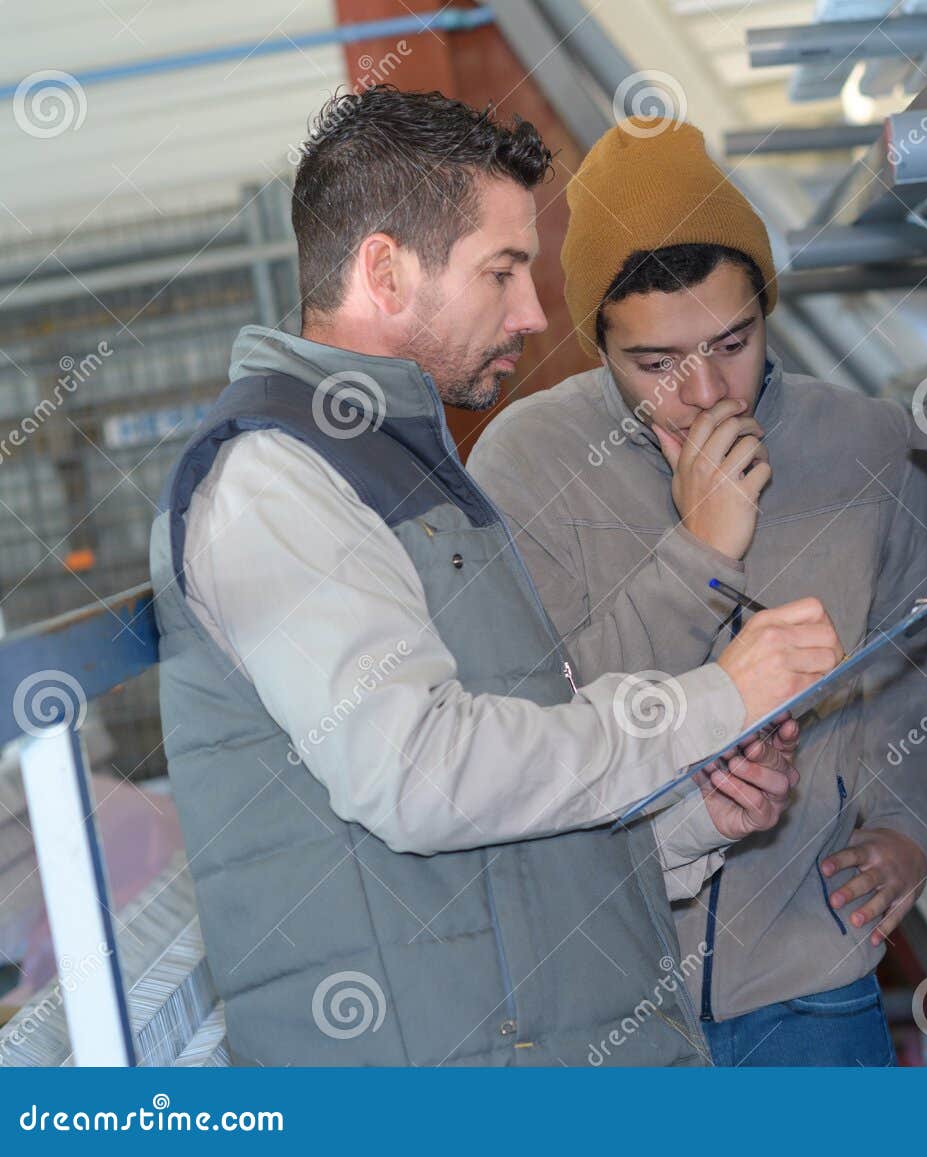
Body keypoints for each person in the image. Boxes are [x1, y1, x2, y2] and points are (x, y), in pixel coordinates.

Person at [147, 89, 842, 1066]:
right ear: (384, 270)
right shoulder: (275, 479)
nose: (532, 309)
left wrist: (688, 820)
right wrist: (711, 700)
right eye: (502, 271)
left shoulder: (405, 468)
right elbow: (418, 774)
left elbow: (489, 828)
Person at [469, 118, 927, 1067]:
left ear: (768, 309)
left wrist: (911, 828)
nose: (703, 392)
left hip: (812, 979)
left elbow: (911, 655)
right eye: (656, 365)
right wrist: (699, 552)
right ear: (596, 346)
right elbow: (534, 724)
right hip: (600, 998)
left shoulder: (865, 442)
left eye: (734, 341)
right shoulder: (525, 464)